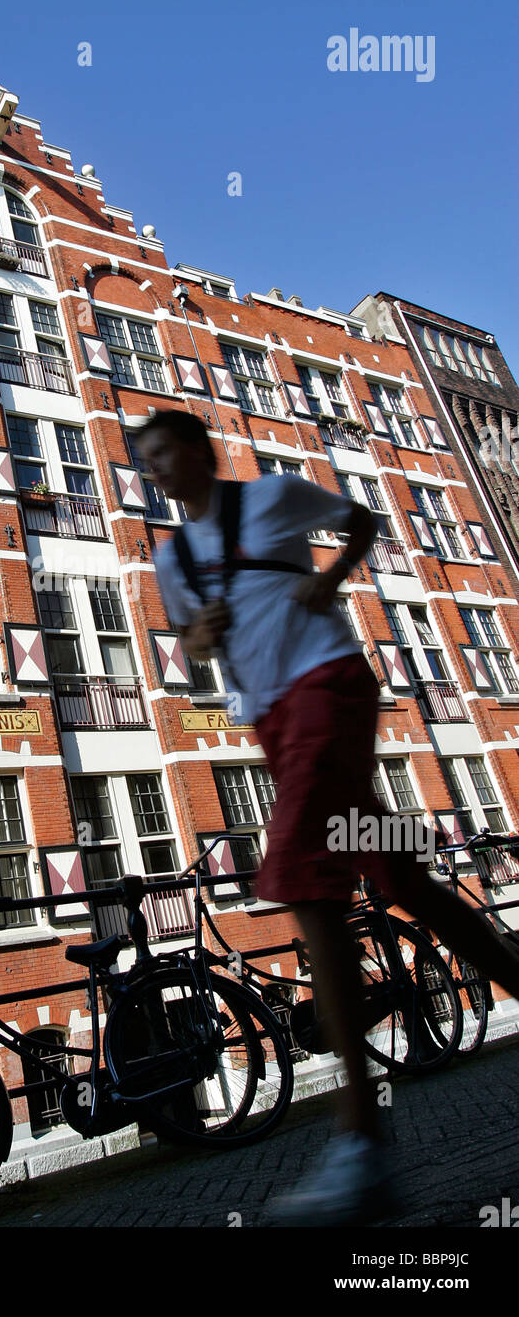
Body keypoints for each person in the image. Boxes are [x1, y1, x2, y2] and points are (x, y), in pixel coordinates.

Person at [136, 408, 519, 1225]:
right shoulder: (172, 562)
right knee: (405, 877)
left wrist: (332, 573)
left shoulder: (272, 497)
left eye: (165, 451)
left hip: (330, 689)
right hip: (276, 723)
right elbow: (196, 645)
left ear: (200, 451)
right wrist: (198, 636)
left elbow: (363, 520)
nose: (156, 468)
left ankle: (360, 1144)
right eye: (147, 460)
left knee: (310, 893)